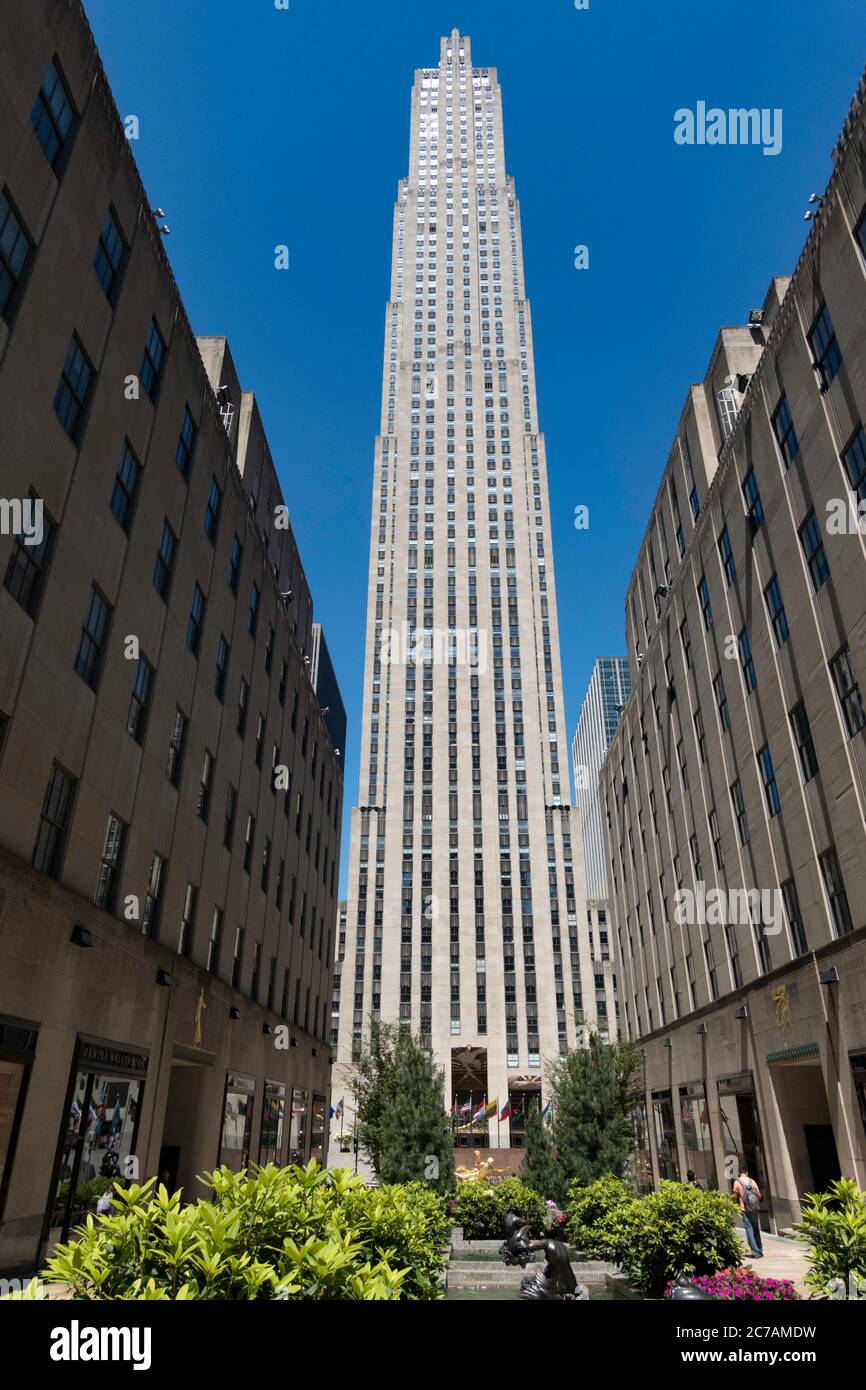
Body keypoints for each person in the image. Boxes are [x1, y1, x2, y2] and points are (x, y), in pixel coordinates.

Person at [733, 1164, 763, 1257]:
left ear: (739, 1172)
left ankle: (754, 1251)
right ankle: (760, 1249)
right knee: (756, 1228)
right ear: (747, 1172)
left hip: (744, 1208)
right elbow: (758, 1194)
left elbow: (734, 1196)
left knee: (749, 1228)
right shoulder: (752, 1181)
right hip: (754, 1208)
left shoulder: (737, 1182)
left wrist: (734, 1204)